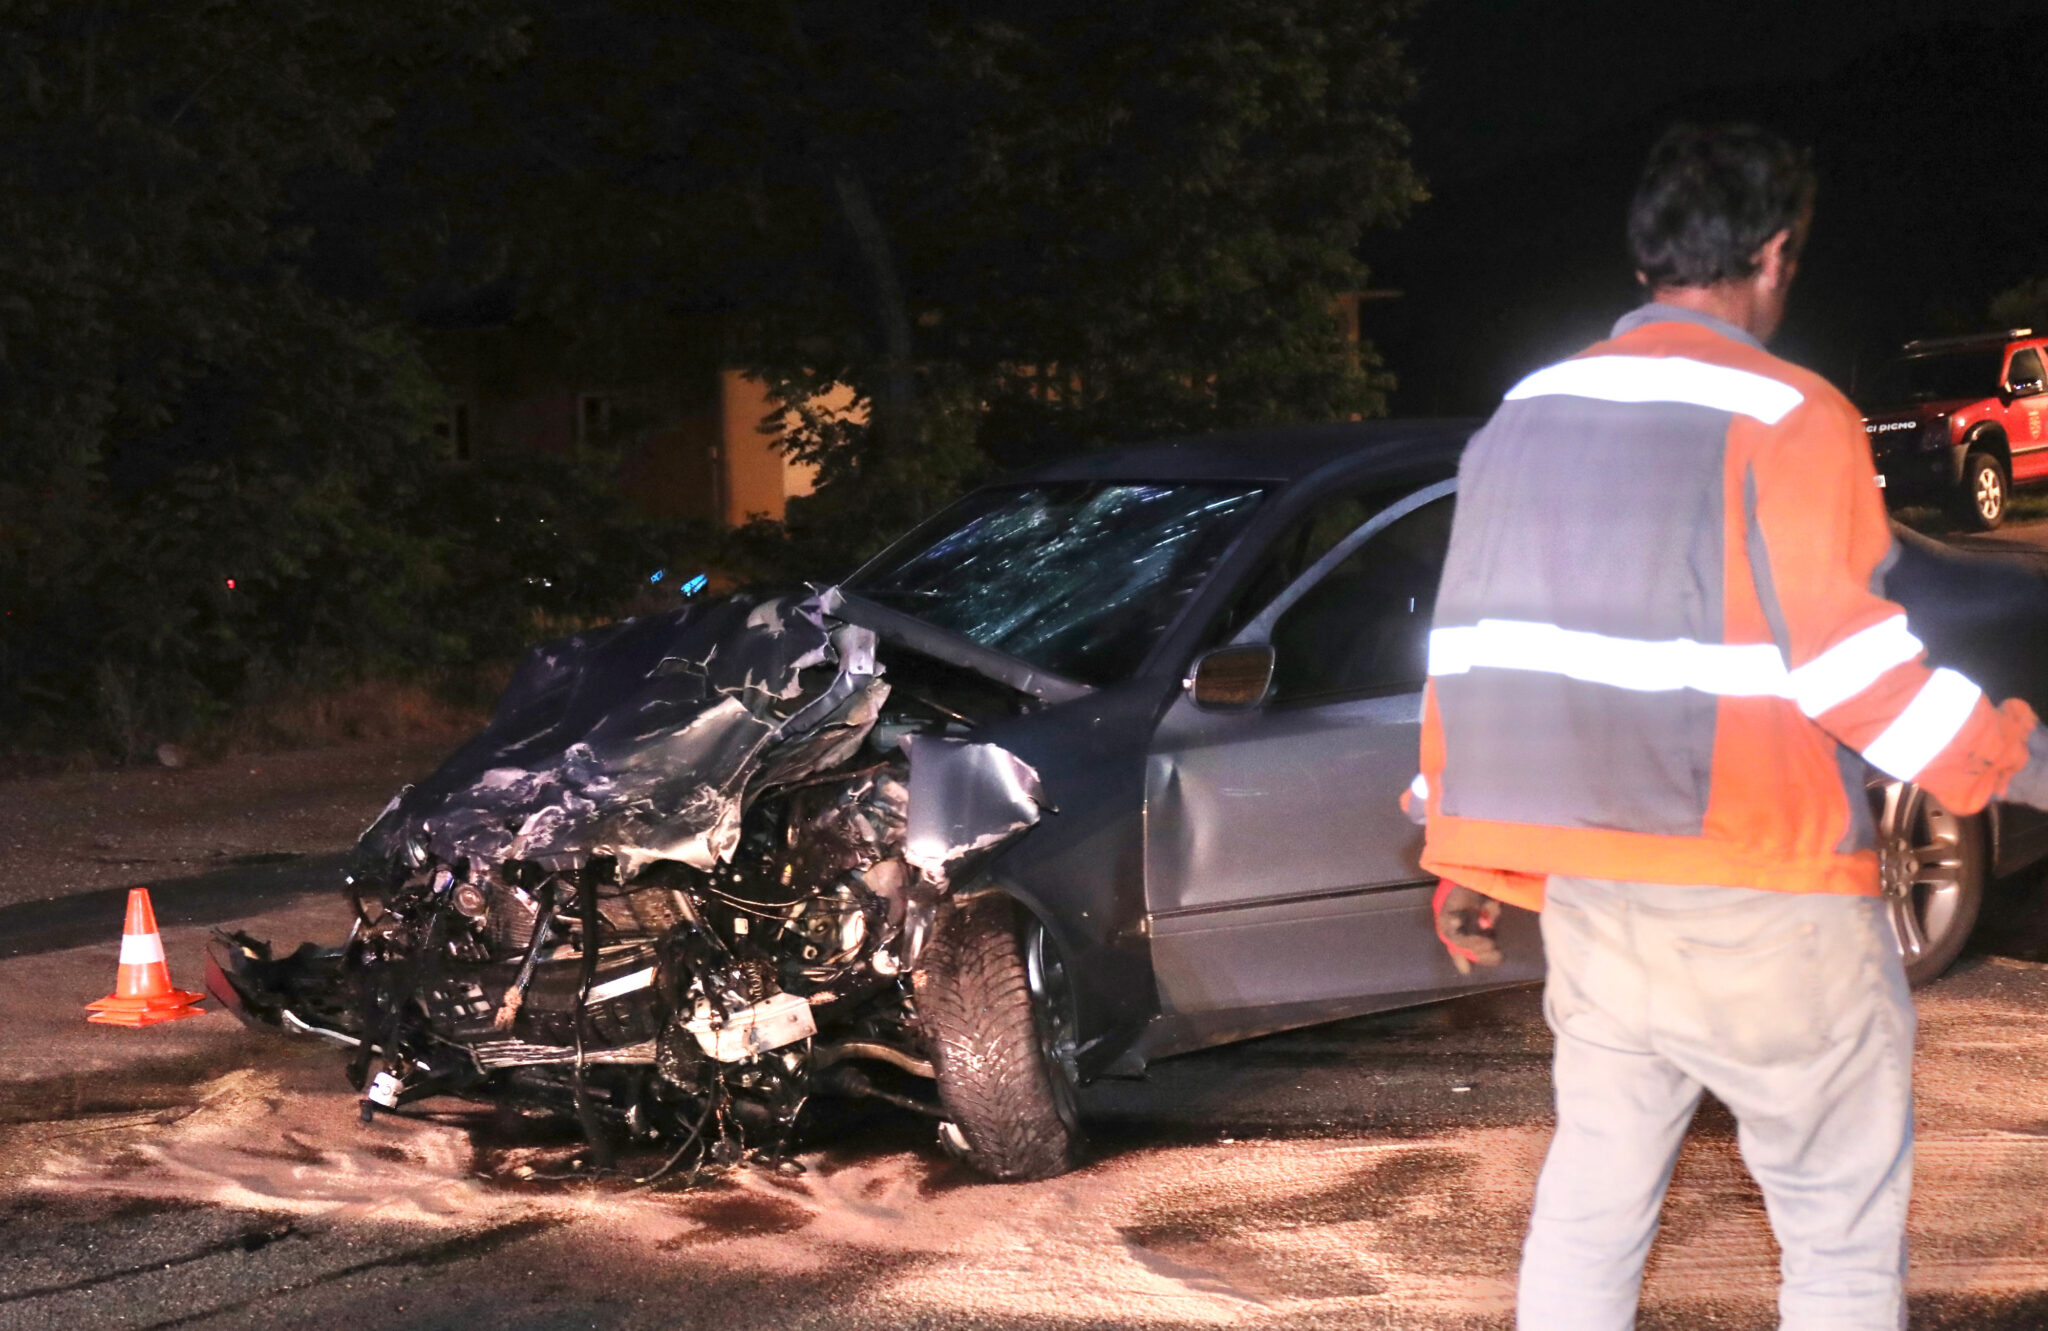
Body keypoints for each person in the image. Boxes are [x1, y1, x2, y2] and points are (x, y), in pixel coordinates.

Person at [1410, 123, 2048, 1330]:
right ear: (1771, 252)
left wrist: (1464, 855)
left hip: (1598, 905)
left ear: (1645, 257)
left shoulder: (1522, 419)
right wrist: (2013, 759)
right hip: (1767, 900)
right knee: (1835, 1238)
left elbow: (1473, 654)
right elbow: (1853, 669)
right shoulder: (1786, 411)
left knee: (1588, 1216)